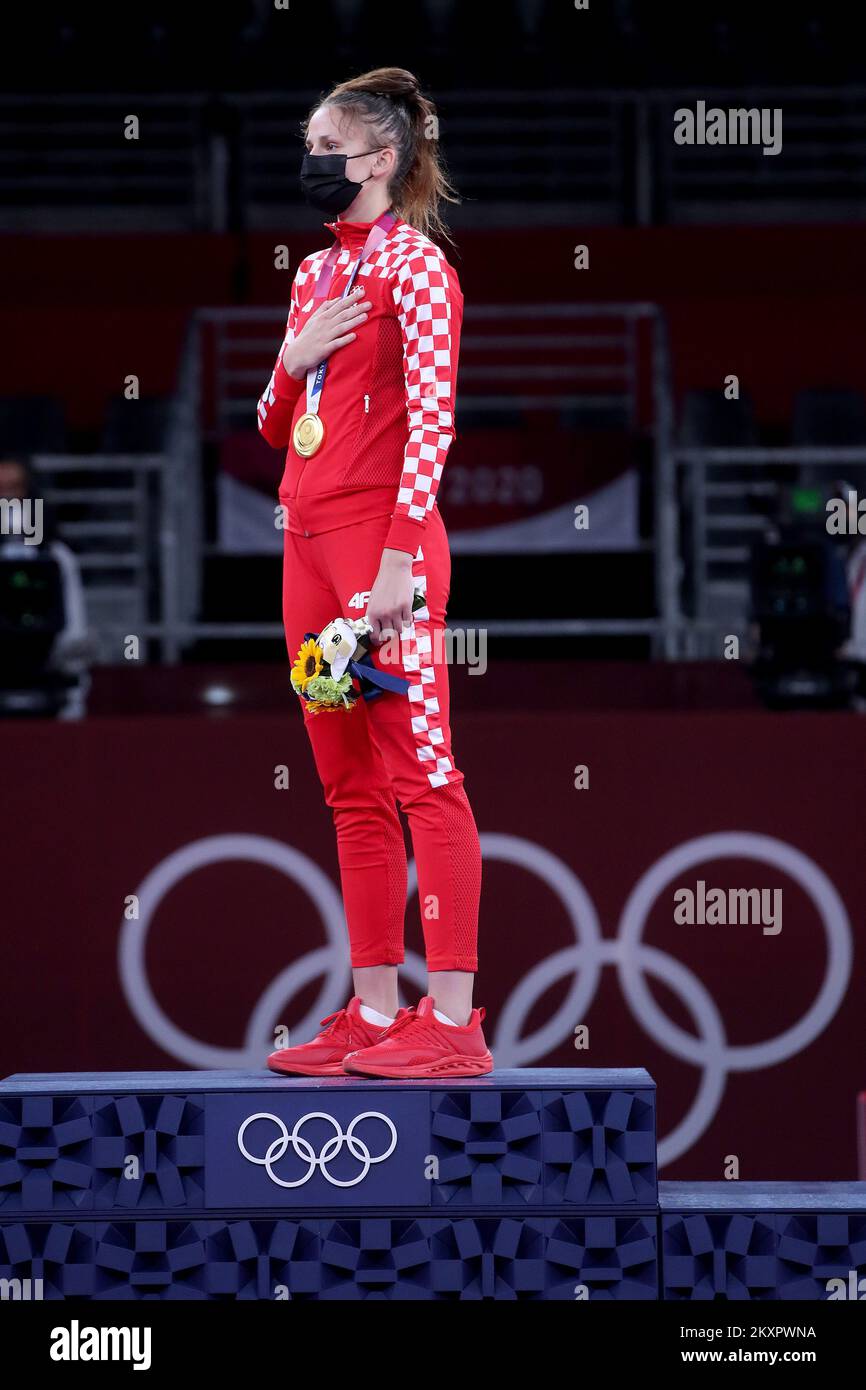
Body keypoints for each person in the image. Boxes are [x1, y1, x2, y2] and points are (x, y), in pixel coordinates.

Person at [256, 68, 491, 1078]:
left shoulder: (419, 271)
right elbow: (274, 425)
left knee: (422, 775)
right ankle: (373, 1007)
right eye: (306, 145)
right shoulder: (313, 278)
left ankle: (453, 1021)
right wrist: (289, 355)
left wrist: (398, 556)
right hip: (304, 549)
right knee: (350, 786)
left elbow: (432, 423)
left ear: (380, 159)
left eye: (325, 147)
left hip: (381, 554)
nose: (310, 163)